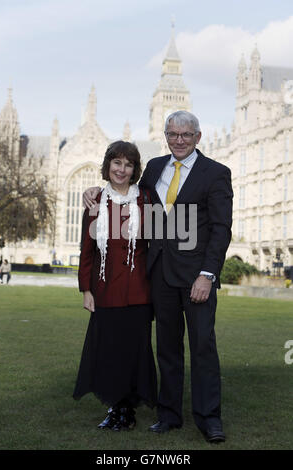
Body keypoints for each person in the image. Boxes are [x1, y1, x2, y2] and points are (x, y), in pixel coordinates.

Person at [83, 111, 233, 443]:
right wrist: (97, 188)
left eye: (186, 135)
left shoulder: (216, 173)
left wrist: (207, 275)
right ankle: (169, 414)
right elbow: (126, 191)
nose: (179, 140)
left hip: (197, 278)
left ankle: (209, 418)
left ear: (198, 136)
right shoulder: (153, 169)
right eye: (173, 134)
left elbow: (221, 229)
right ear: (166, 135)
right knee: (167, 348)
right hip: (161, 275)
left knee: (203, 347)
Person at [73, 140, 157, 431]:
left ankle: (129, 409)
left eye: (129, 164)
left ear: (135, 169)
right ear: (108, 165)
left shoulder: (146, 200)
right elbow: (87, 251)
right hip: (105, 290)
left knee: (135, 351)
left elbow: (160, 244)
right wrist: (86, 290)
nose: (122, 169)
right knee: (109, 351)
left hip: (139, 291)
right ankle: (114, 408)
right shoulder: (95, 202)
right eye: (117, 163)